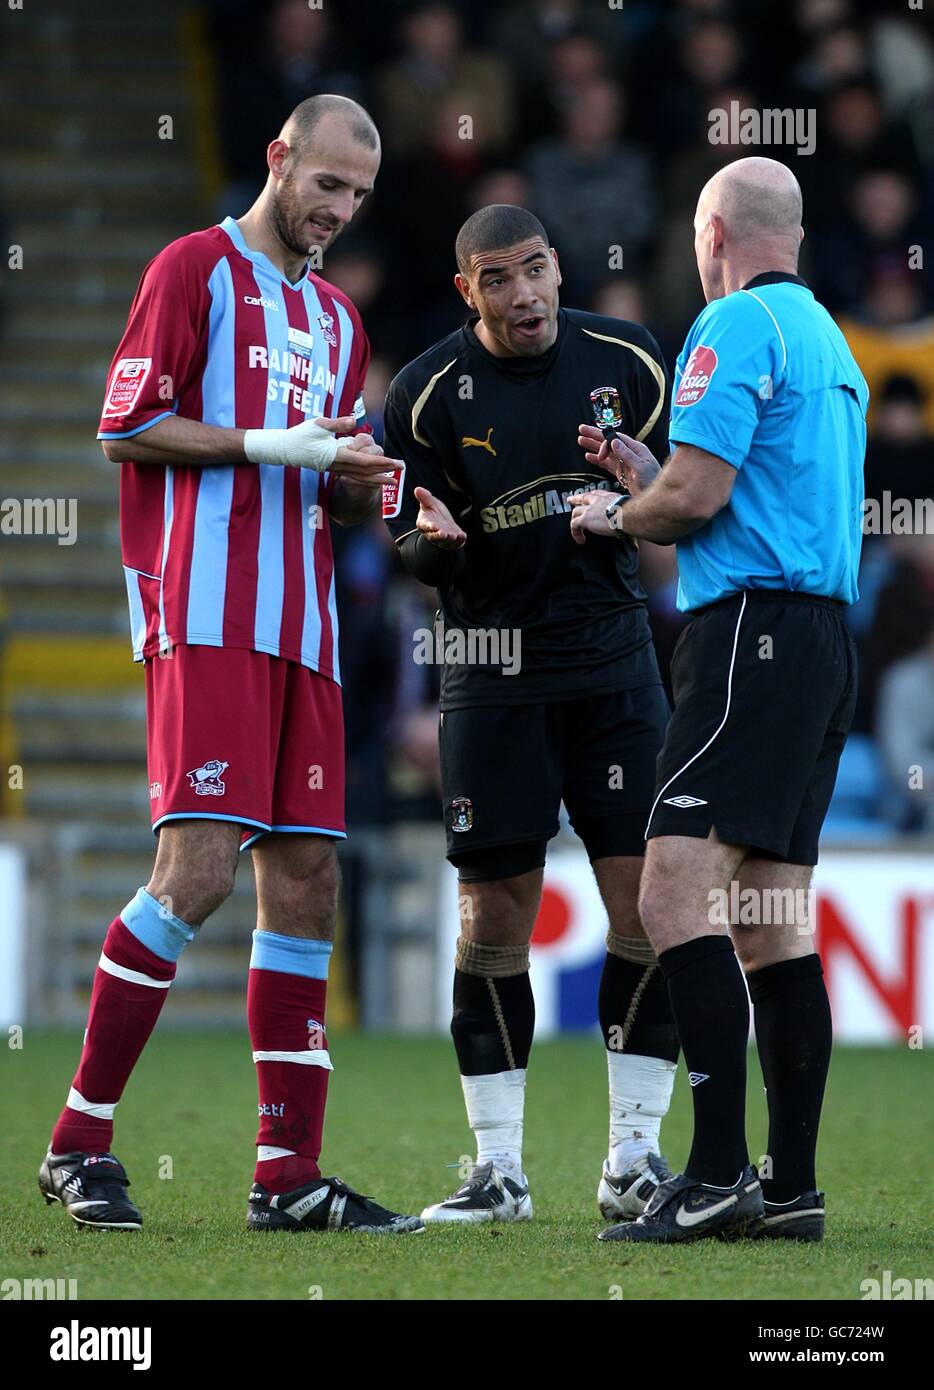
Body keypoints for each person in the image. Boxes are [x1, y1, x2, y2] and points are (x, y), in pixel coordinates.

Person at [39, 95, 423, 1237]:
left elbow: (328, 478)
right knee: (198, 869)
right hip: (202, 609)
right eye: (326, 185)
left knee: (306, 878)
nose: (338, 210)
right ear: (279, 158)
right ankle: (78, 1143)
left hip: (304, 627)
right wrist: (262, 444)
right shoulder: (192, 269)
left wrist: (361, 483)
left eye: (357, 195)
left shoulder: (342, 322)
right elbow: (124, 424)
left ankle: (287, 1175)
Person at [571, 156, 867, 1243]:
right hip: (823, 639)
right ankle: (790, 1187)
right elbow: (730, 489)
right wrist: (652, 476)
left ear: (712, 232)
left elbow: (695, 500)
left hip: (748, 638)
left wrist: (613, 514)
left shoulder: (731, 326)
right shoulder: (829, 342)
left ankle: (710, 1174)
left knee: (670, 897)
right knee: (770, 920)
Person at [383, 203, 679, 1224]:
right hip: (490, 674)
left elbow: (677, 505)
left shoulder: (630, 359)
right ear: (468, 292)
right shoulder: (422, 396)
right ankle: (497, 1169)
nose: (524, 295)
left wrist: (640, 494)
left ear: (558, 270)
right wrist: (435, 546)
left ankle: (634, 1159)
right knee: (493, 919)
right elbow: (408, 543)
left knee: (646, 908)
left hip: (614, 670)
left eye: (537, 270)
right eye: (498, 279)